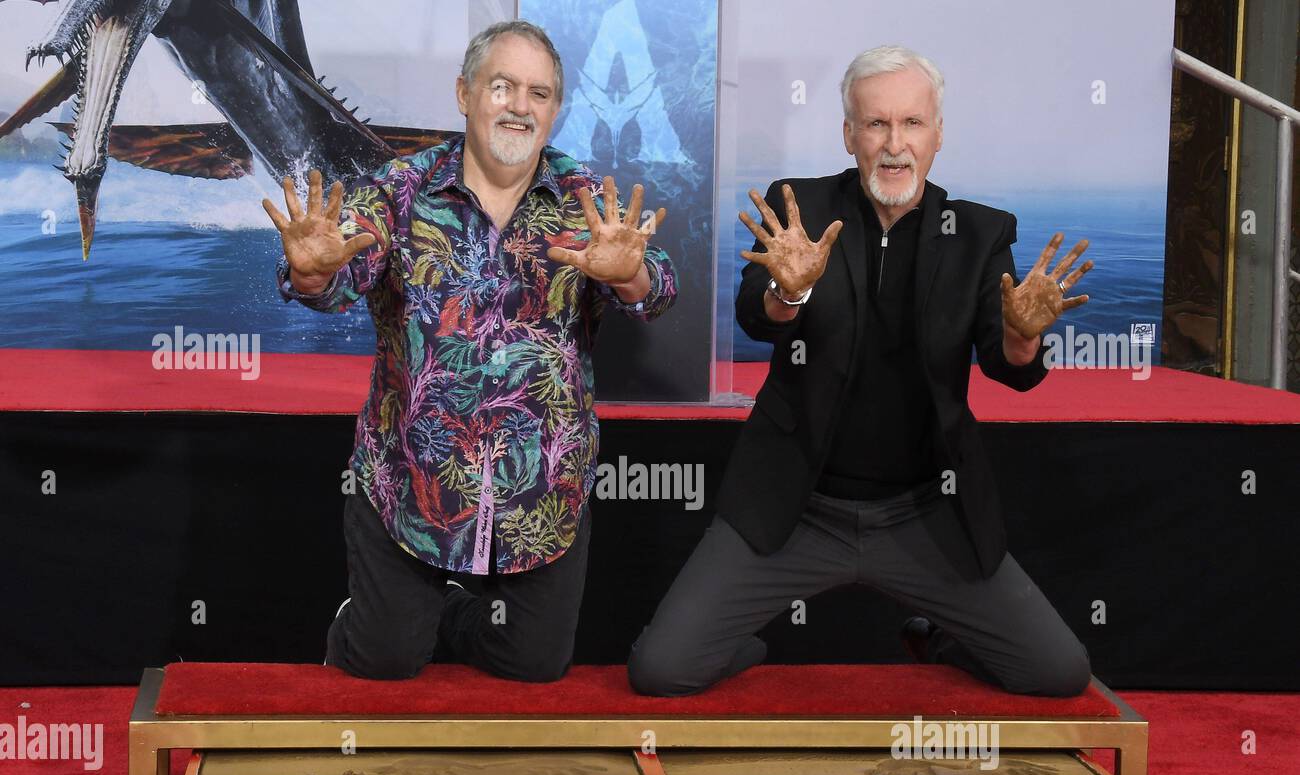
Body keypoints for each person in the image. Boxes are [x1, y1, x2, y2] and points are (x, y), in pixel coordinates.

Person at [629, 44, 1093, 698]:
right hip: (797, 506)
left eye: (912, 124)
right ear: (850, 135)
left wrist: (1020, 334)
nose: (894, 144)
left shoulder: (980, 235)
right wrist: (789, 292)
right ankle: (746, 644)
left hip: (925, 514)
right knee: (661, 670)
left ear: (937, 137)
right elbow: (755, 318)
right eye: (876, 124)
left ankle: (935, 637)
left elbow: (1009, 366)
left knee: (1060, 672)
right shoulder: (804, 211)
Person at [262, 20, 676, 681]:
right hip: (410, 484)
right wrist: (312, 271)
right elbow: (333, 280)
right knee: (386, 658)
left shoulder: (586, 201)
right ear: (464, 93)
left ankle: (450, 614)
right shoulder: (399, 190)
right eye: (503, 86)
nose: (520, 106)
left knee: (536, 664)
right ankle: (373, 624)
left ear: (555, 109)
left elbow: (655, 289)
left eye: (538, 93)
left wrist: (629, 274)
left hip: (542, 492)